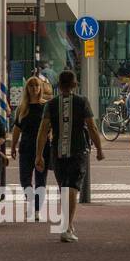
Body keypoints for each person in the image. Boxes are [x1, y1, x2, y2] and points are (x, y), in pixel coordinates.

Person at [34, 70, 104, 243]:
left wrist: (39, 155)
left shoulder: (51, 104)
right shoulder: (82, 102)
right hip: (78, 150)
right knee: (72, 188)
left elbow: (43, 130)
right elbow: (92, 127)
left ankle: (68, 225)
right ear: (74, 85)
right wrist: (100, 149)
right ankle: (66, 226)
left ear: (59, 84)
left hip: (57, 151)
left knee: (64, 187)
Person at [11, 77, 50, 220]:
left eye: (37, 85)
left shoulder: (46, 105)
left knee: (40, 180)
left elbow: (51, 126)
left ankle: (37, 210)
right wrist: (13, 146)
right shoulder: (22, 107)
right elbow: (17, 128)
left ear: (41, 88)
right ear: (27, 89)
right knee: (24, 179)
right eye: (31, 86)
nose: (34, 88)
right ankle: (32, 201)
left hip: (42, 148)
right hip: (26, 147)